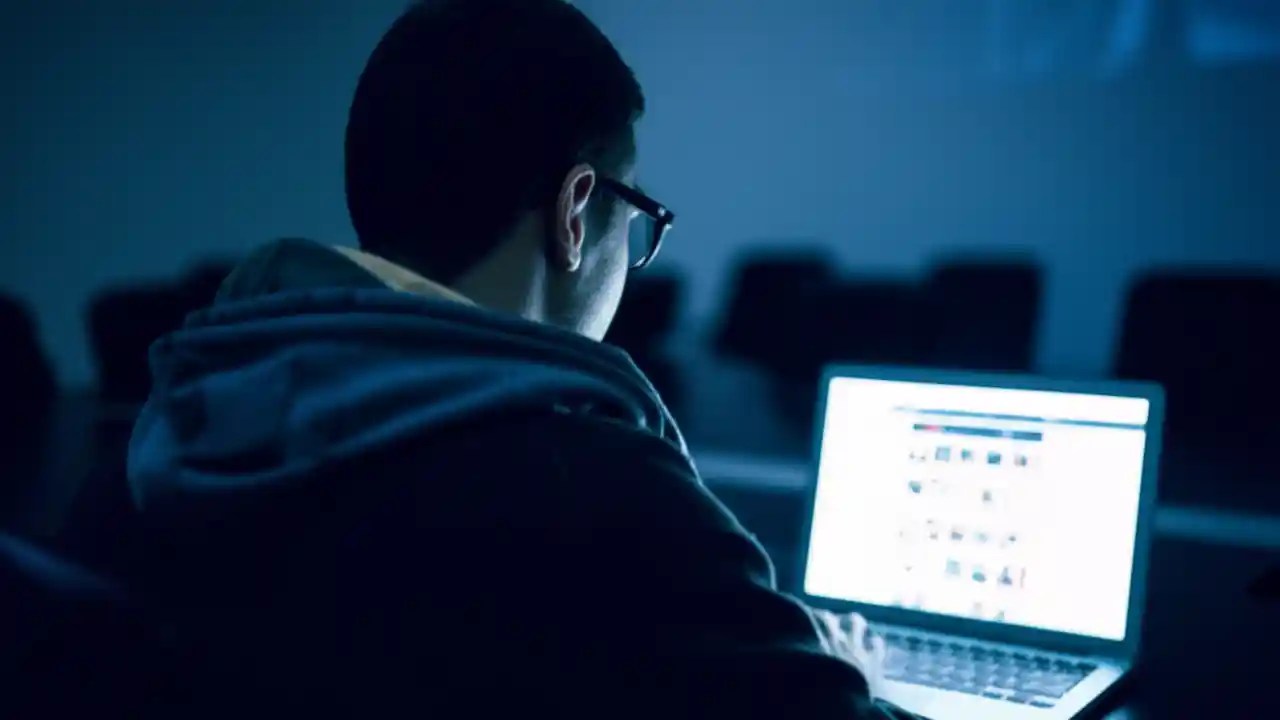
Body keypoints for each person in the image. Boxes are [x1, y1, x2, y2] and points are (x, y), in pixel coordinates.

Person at [126, 1, 916, 717]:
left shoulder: (186, 428)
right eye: (634, 215)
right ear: (575, 212)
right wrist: (849, 678)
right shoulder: (605, 496)